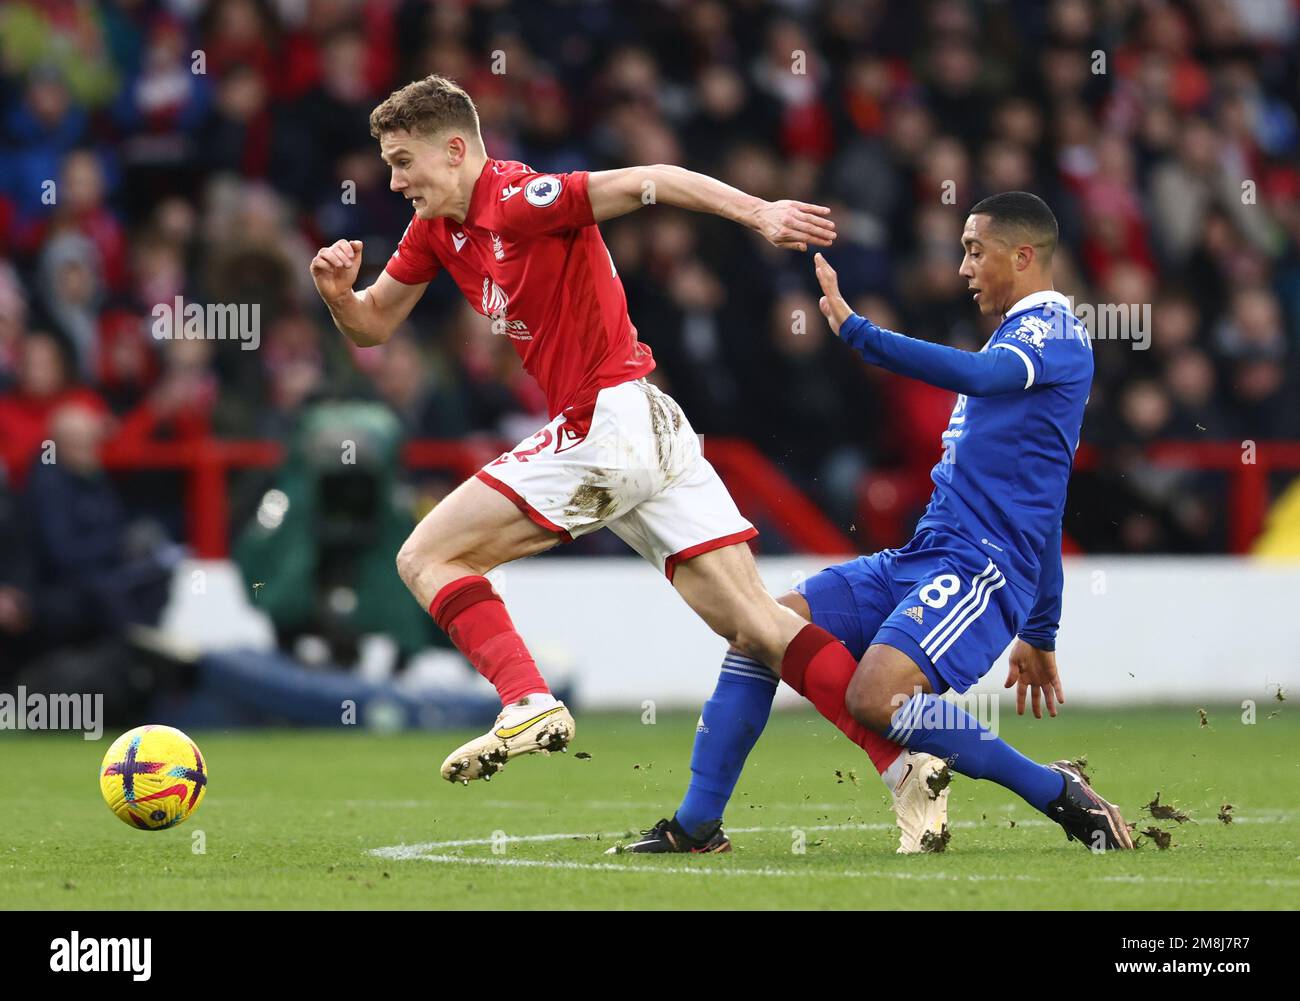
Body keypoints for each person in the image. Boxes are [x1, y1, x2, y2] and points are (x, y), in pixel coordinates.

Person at [307, 78, 952, 826]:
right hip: (646, 425)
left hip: (607, 421)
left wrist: (760, 212)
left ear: (455, 151)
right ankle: (909, 765)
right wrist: (337, 296)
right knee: (757, 624)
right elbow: (374, 325)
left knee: (426, 556)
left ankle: (524, 700)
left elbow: (655, 180)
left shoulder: (522, 199)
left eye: (402, 161)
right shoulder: (434, 230)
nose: (393, 181)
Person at [625, 192, 1134, 855]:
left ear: (1024, 255)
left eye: (975, 251)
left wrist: (859, 333)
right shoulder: (1018, 336)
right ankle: (695, 825)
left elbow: (980, 378)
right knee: (759, 629)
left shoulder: (1053, 333)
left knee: (876, 698)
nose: (963, 267)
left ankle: (1056, 791)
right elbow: (1047, 498)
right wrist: (1042, 625)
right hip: (926, 554)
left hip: (978, 570)